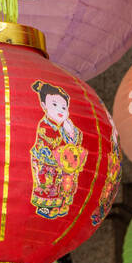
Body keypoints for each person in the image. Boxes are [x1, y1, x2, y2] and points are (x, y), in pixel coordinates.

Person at [29, 80, 85, 218]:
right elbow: (51, 143)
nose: (60, 110)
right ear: (44, 106)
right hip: (47, 162)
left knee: (66, 185)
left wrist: (70, 131)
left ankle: (62, 204)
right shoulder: (45, 125)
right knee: (49, 184)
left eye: (64, 107)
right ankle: (46, 207)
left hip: (63, 163)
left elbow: (75, 142)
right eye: (54, 105)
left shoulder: (65, 125)